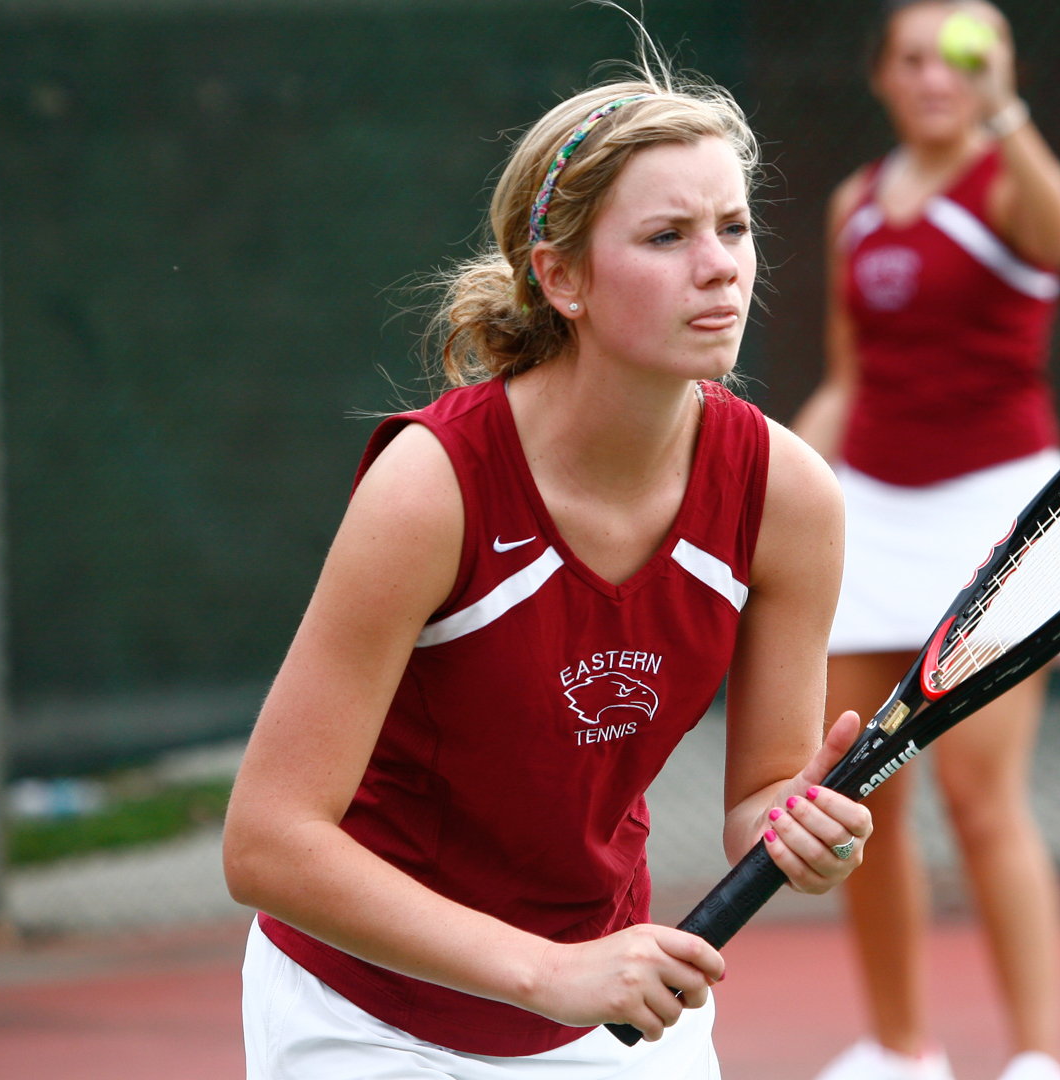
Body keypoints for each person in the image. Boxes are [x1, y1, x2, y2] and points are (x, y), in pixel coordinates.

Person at [223, 58, 874, 1080]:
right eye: (667, 237)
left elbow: (760, 793)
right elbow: (265, 842)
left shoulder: (788, 498)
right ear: (560, 277)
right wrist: (544, 971)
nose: (721, 266)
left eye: (734, 228)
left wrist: (801, 835)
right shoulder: (432, 489)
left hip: (607, 1013)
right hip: (365, 1015)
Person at [790, 3, 1060, 1079]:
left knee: (978, 794)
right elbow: (848, 379)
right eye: (912, 58)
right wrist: (779, 479)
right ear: (880, 74)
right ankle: (899, 1050)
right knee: (855, 789)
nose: (934, 79)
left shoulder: (1012, 182)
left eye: (959, 61)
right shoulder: (856, 208)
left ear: (993, 72)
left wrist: (1006, 105)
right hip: (872, 512)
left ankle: (1037, 1060)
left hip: (1001, 517)